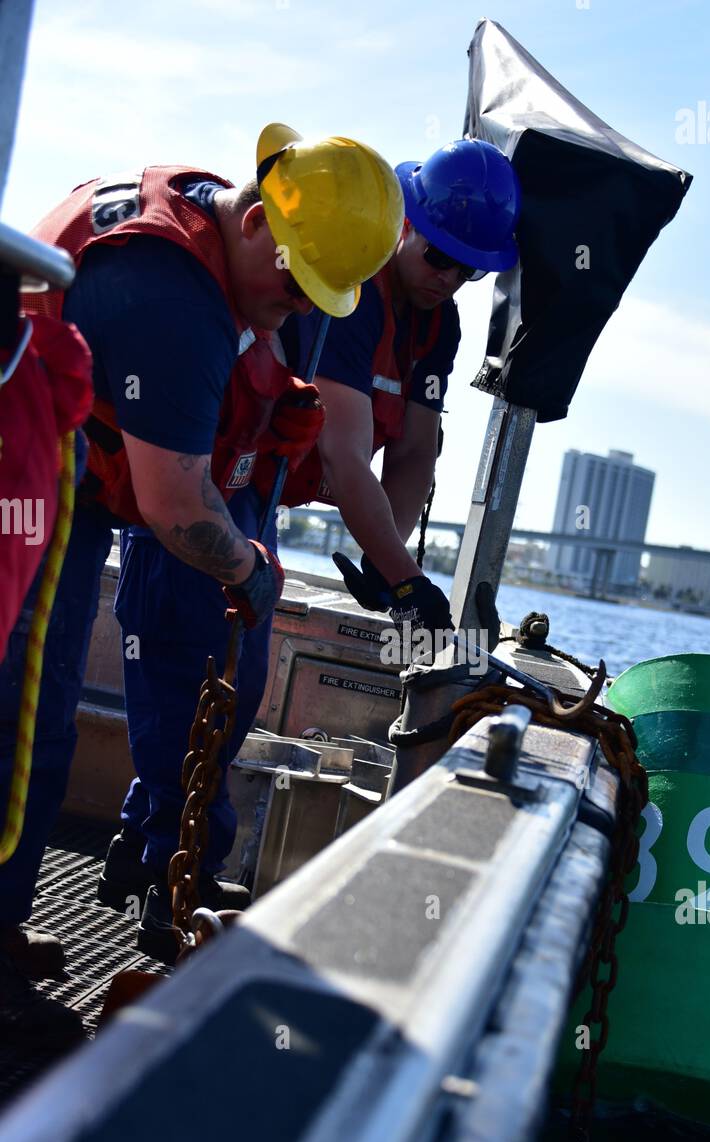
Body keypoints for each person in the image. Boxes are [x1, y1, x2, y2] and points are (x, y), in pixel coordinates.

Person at [0, 123, 403, 1040]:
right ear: (257, 221)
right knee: (24, 705)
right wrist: (245, 564)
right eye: (293, 284)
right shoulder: (169, 302)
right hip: (25, 468)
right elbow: (178, 507)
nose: (290, 311)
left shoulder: (213, 240)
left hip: (63, 458)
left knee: (37, 709)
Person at [278, 139, 522, 639]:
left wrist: (382, 557)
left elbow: (414, 450)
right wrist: (406, 578)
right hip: (233, 479)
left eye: (468, 269)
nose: (449, 278)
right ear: (405, 225)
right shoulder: (358, 293)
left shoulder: (439, 328)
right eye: (438, 256)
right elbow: (342, 457)